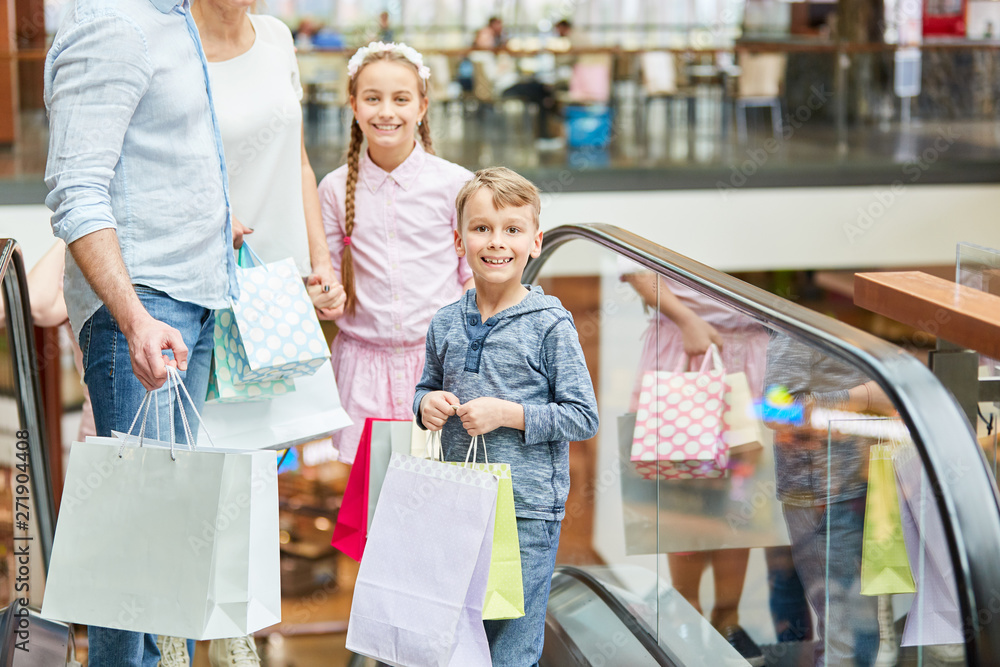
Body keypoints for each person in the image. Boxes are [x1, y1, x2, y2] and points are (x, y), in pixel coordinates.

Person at [44, 0, 240, 662]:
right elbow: (76, 191)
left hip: (188, 300)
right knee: (134, 552)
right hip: (150, 310)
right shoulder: (113, 23)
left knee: (161, 545)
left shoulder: (170, 16)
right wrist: (134, 316)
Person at [414, 167, 600, 666]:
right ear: (459, 240)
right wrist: (424, 406)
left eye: (512, 230)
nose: (497, 242)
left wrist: (509, 414)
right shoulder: (445, 322)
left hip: (525, 513)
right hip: (455, 506)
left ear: (535, 242)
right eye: (482, 228)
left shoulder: (550, 325)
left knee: (512, 651)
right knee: (457, 642)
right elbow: (425, 388)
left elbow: (583, 417)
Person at [317, 41, 475, 464]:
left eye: (401, 99)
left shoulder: (455, 184)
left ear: (422, 106)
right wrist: (323, 299)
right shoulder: (333, 189)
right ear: (353, 104)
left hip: (440, 370)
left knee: (441, 493)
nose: (386, 111)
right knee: (371, 501)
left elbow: (472, 276)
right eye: (372, 98)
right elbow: (329, 284)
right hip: (362, 370)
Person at [621, 268, 768, 666]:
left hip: (752, 348)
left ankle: (727, 617)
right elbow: (634, 268)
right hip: (686, 345)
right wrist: (687, 319)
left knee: (738, 499)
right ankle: (686, 612)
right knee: (683, 494)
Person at [764, 333, 895, 666]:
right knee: (848, 633)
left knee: (855, 629)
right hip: (825, 495)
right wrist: (862, 397)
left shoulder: (848, 323)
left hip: (858, 487)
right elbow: (775, 413)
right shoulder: (797, 333)